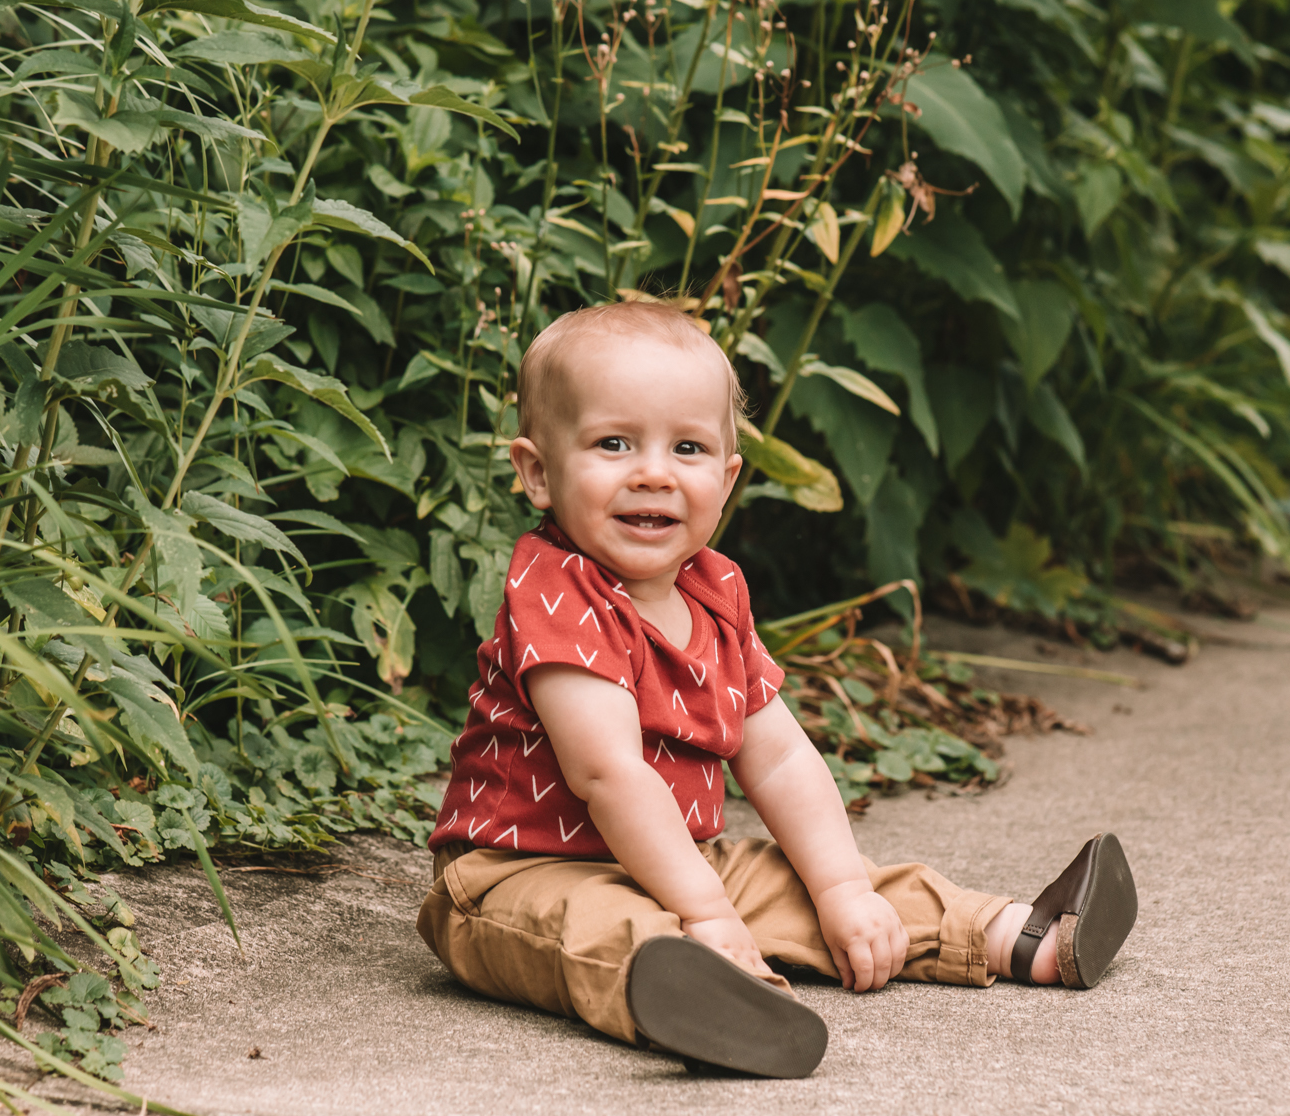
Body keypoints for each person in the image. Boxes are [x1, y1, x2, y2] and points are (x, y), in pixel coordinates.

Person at [415, 301, 1136, 1077]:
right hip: (513, 873)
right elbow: (608, 774)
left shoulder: (717, 592)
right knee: (600, 929)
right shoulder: (556, 591)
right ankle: (717, 1003)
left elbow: (782, 758)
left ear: (725, 479)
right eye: (613, 443)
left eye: (686, 447)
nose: (653, 471)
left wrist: (839, 888)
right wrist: (705, 915)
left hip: (678, 859)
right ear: (537, 471)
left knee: (801, 885)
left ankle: (1020, 935)